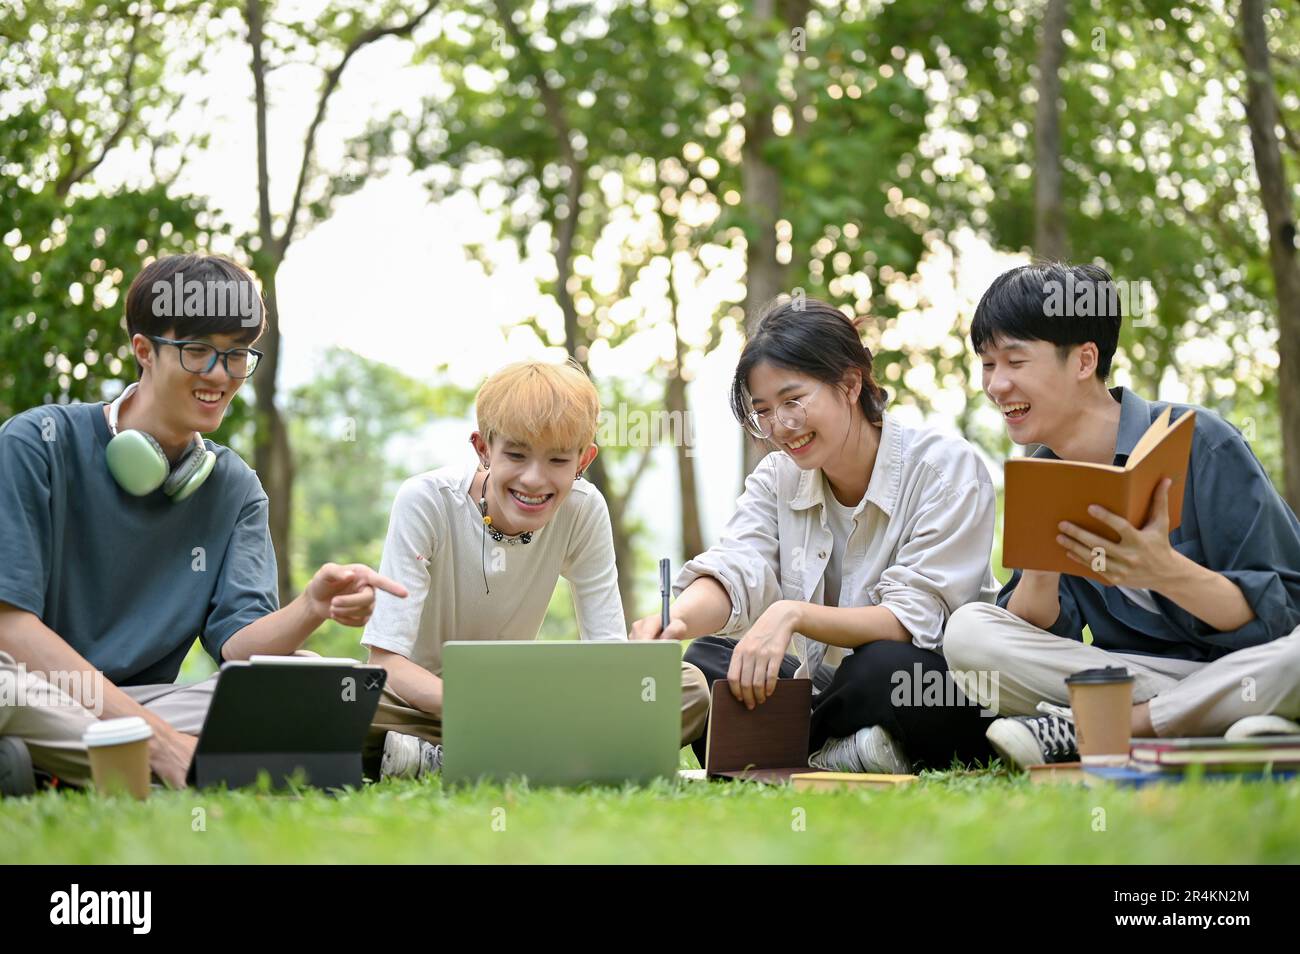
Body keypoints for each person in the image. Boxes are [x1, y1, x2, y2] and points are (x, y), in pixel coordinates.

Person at [0, 253, 404, 794]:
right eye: (197, 353)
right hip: (34, 685)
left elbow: (240, 649)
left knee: (316, 679)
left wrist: (311, 607)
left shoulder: (235, 488)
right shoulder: (36, 442)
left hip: (144, 705)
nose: (219, 376)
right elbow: (10, 627)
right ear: (144, 351)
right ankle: (149, 763)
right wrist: (161, 743)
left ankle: (57, 767)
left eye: (237, 357)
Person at [944, 262, 1300, 769]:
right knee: (968, 633)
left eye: (1015, 362)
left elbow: (1284, 614)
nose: (997, 385)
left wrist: (1165, 572)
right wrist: (1041, 561)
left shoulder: (1202, 441)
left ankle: (1110, 726)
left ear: (1084, 360)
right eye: (987, 364)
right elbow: (1038, 637)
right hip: (1144, 675)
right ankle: (1228, 723)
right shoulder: (1040, 473)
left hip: (1248, 662)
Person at [631, 297, 999, 774]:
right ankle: (844, 754)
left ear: (849, 384)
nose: (781, 427)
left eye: (793, 401)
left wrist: (793, 614)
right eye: (763, 411)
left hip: (928, 686)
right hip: (830, 690)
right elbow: (739, 566)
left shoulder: (946, 470)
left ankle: (783, 752)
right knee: (711, 660)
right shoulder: (777, 477)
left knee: (881, 668)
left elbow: (912, 622)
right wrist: (673, 622)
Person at [361, 359, 709, 779]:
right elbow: (387, 663)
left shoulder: (584, 509)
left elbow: (609, 654)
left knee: (686, 685)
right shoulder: (426, 500)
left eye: (558, 460)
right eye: (516, 454)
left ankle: (451, 760)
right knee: (344, 702)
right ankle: (556, 757)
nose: (533, 479)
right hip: (427, 702)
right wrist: (485, 710)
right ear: (483, 448)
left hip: (527, 702)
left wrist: (619, 681)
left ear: (584, 458)